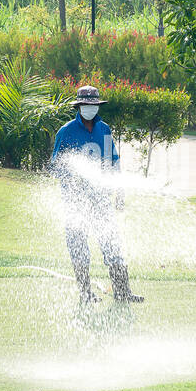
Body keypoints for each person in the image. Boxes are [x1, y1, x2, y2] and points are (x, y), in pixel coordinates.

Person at [49, 86, 144, 305]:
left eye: (93, 105)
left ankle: (123, 292)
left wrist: (120, 191)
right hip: (75, 202)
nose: (90, 109)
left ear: (97, 106)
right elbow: (55, 166)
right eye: (86, 105)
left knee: (113, 246)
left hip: (101, 200)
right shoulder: (66, 131)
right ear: (79, 106)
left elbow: (113, 162)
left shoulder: (105, 130)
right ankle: (85, 294)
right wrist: (74, 178)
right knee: (79, 249)